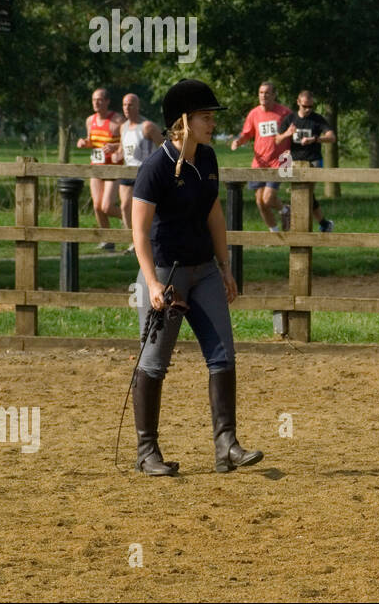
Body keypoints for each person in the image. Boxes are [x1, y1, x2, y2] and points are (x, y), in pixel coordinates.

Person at [129, 78, 263, 476]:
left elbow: (214, 215)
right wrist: (153, 284)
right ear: (183, 122)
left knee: (223, 354)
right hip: (166, 275)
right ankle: (146, 452)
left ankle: (227, 445)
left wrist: (225, 267)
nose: (212, 124)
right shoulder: (154, 169)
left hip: (204, 270)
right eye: (206, 117)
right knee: (154, 363)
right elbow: (139, 232)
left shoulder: (207, 160)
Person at [230, 81, 292, 231]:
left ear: (274, 95)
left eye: (267, 93)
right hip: (260, 162)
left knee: (268, 198)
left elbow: (293, 132)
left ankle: (285, 210)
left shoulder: (284, 113)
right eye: (261, 93)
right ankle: (274, 232)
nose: (263, 96)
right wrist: (238, 141)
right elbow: (247, 133)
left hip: (281, 160)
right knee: (260, 202)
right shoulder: (254, 113)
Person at [279, 89, 336, 232]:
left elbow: (332, 137)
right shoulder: (290, 119)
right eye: (305, 106)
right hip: (295, 162)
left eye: (311, 106)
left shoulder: (317, 119)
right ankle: (323, 224)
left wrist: (315, 139)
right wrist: (287, 133)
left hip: (314, 160)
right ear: (298, 102)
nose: (308, 109)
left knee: (305, 191)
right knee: (307, 194)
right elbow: (276, 140)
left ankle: (298, 227)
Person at [76, 88, 123, 250]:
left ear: (107, 101)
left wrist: (115, 146)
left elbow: (129, 141)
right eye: (94, 100)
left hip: (113, 168)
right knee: (97, 206)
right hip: (96, 167)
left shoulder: (117, 120)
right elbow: (91, 140)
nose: (96, 103)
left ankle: (131, 220)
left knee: (107, 206)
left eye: (100, 99)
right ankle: (108, 240)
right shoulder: (91, 120)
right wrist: (84, 142)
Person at [118, 93, 164, 251]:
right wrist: (114, 150)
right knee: (125, 207)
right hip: (127, 171)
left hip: (144, 173)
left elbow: (164, 146)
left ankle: (146, 239)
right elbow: (122, 149)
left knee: (143, 210)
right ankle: (134, 240)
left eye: (130, 104)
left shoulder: (147, 126)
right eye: (124, 105)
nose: (127, 108)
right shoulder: (122, 127)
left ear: (138, 106)